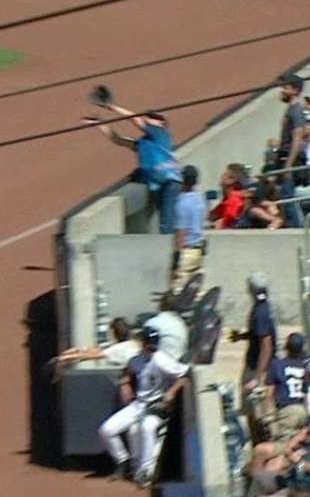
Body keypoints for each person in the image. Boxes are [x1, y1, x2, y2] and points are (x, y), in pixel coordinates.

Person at [97, 326, 189, 486]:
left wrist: (172, 392)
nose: (151, 346)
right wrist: (125, 384)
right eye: (149, 343)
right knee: (106, 430)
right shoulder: (136, 359)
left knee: (146, 427)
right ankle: (122, 461)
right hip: (138, 404)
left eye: (154, 343)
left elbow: (184, 375)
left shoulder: (162, 360)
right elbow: (127, 371)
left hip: (157, 405)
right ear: (143, 343)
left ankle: (145, 471)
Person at [89, 100, 182, 235]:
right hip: (157, 183)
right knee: (160, 220)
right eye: (149, 116)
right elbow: (118, 140)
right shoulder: (144, 142)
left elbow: (134, 119)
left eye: (154, 117)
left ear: (162, 123)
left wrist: (110, 106)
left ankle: (171, 248)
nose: (149, 118)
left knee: (166, 221)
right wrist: (99, 124)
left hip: (170, 181)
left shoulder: (161, 133)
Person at [171, 165, 207, 293]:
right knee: (195, 291)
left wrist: (176, 257)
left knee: (178, 291)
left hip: (187, 251)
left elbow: (181, 232)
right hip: (199, 248)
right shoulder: (200, 199)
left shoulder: (182, 204)